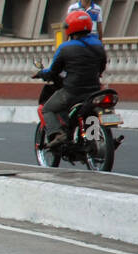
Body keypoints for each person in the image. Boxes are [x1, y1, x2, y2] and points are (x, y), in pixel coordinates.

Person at [32, 9, 106, 149]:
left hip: (73, 92)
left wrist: (41, 73)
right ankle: (90, 137)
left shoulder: (65, 48)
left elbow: (53, 71)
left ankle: (59, 134)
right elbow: (102, 67)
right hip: (94, 91)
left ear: (70, 28)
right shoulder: (98, 45)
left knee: (47, 109)